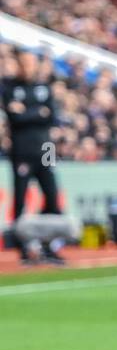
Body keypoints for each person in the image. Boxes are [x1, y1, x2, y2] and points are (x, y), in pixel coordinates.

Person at [2, 50, 65, 264]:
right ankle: (24, 249)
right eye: (25, 63)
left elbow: (53, 117)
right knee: (20, 199)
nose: (29, 67)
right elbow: (15, 118)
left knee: (52, 196)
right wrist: (38, 113)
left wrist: (28, 113)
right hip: (22, 150)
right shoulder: (9, 87)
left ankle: (49, 245)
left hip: (47, 148)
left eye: (31, 63)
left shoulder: (44, 87)